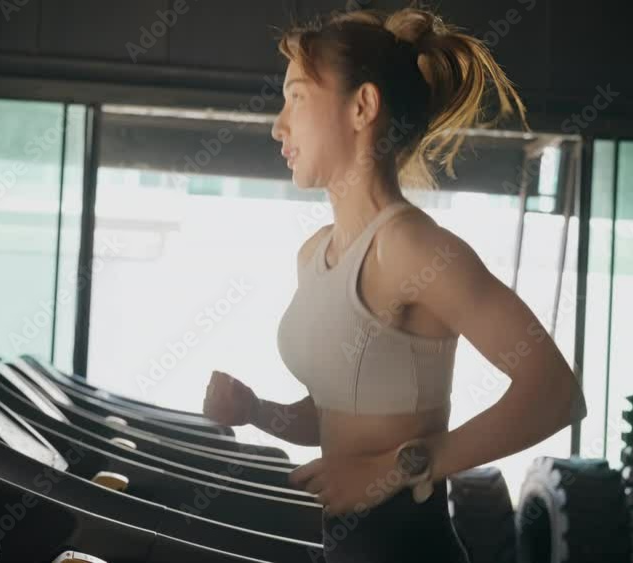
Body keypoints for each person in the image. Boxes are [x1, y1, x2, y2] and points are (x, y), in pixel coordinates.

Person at [203, 6, 587, 562]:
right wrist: (257, 410)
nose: (277, 124)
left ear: (362, 106)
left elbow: (555, 391)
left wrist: (396, 470)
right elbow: (338, 417)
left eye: (296, 97)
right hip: (330, 545)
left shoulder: (410, 246)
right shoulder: (315, 254)